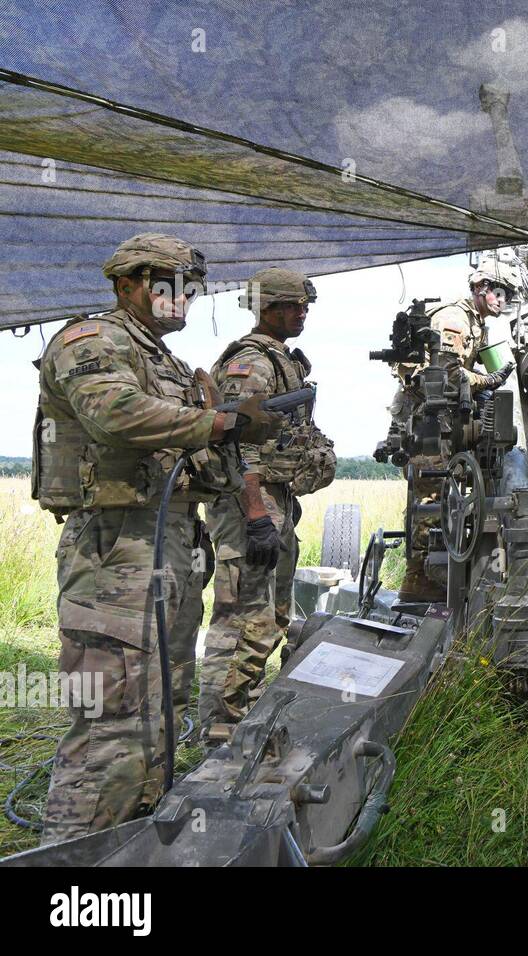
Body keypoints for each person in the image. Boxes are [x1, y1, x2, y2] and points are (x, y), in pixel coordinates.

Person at [34, 234, 280, 842]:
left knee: (163, 705)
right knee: (111, 721)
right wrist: (215, 420)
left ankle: (139, 848)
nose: (182, 299)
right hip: (116, 550)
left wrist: (230, 438)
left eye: (189, 289)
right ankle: (72, 864)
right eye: (166, 284)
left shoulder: (169, 366)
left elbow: (196, 461)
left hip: (169, 546)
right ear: (126, 285)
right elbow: (111, 415)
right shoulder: (89, 340)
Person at [199, 268, 335, 745]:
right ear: (269, 307)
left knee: (272, 616)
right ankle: (220, 733)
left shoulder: (281, 360)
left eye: (304, 306)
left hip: (275, 500)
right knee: (242, 620)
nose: (302, 314)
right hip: (250, 503)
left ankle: (242, 724)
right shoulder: (251, 363)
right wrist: (256, 512)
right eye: (294, 305)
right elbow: (237, 444)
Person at [389, 263, 517, 602]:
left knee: (439, 498)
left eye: (506, 296)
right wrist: (487, 380)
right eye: (499, 292)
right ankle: (419, 585)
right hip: (429, 419)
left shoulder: (476, 324)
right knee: (430, 500)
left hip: (441, 416)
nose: (502, 301)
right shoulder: (456, 320)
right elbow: (445, 374)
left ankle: (441, 580)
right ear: (480, 288)